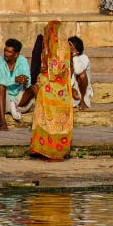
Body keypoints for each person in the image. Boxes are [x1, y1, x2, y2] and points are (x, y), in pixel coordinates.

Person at [29, 20, 75, 160]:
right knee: (46, 119)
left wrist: (46, 70)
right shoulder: (52, 47)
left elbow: (57, 69)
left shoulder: (61, 48)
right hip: (51, 90)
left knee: (53, 121)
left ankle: (53, 150)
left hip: (56, 89)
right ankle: (45, 149)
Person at [0, 38, 36, 130]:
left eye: (9, 52)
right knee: (1, 85)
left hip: (18, 100)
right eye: (5, 50)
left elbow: (28, 80)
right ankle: (3, 123)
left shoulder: (22, 60)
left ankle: (41, 119)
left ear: (16, 54)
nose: (6, 54)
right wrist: (14, 80)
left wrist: (25, 81)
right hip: (1, 100)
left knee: (35, 87)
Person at [68, 36, 93, 110]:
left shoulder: (84, 58)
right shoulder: (64, 58)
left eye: (69, 45)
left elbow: (78, 71)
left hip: (81, 91)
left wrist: (74, 56)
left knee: (82, 75)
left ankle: (82, 100)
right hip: (69, 90)